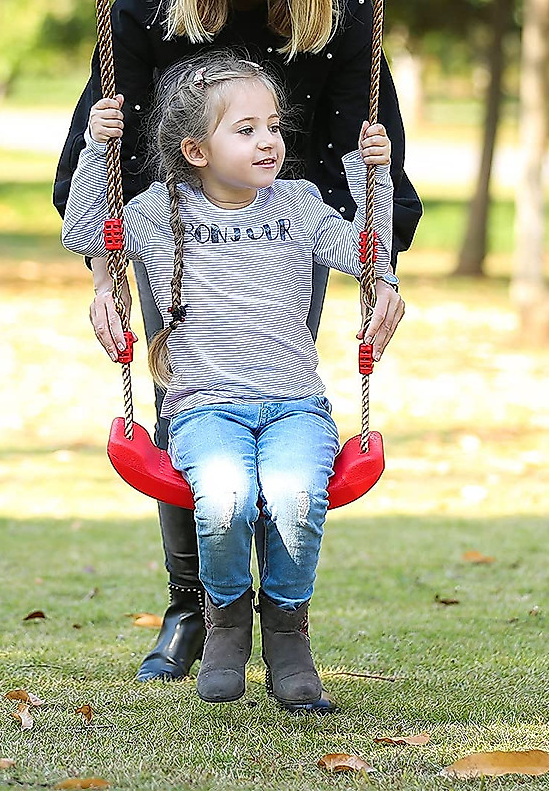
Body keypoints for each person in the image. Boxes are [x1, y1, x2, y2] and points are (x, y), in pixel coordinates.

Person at [53, 0, 421, 682]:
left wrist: (379, 274)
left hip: (293, 225)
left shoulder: (337, 3)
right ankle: (196, 608)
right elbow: (109, 131)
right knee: (193, 398)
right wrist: (106, 275)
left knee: (276, 392)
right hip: (176, 224)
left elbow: (367, 142)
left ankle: (281, 617)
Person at [62, 51, 394, 711]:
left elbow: (367, 257)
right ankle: (226, 627)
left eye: (273, 126)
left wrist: (372, 176)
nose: (268, 140)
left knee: (296, 496)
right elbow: (82, 233)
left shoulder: (299, 204)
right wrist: (96, 153)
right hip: (205, 409)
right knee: (225, 497)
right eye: (246, 130)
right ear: (195, 150)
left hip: (296, 406)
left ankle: (288, 637)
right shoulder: (157, 213)